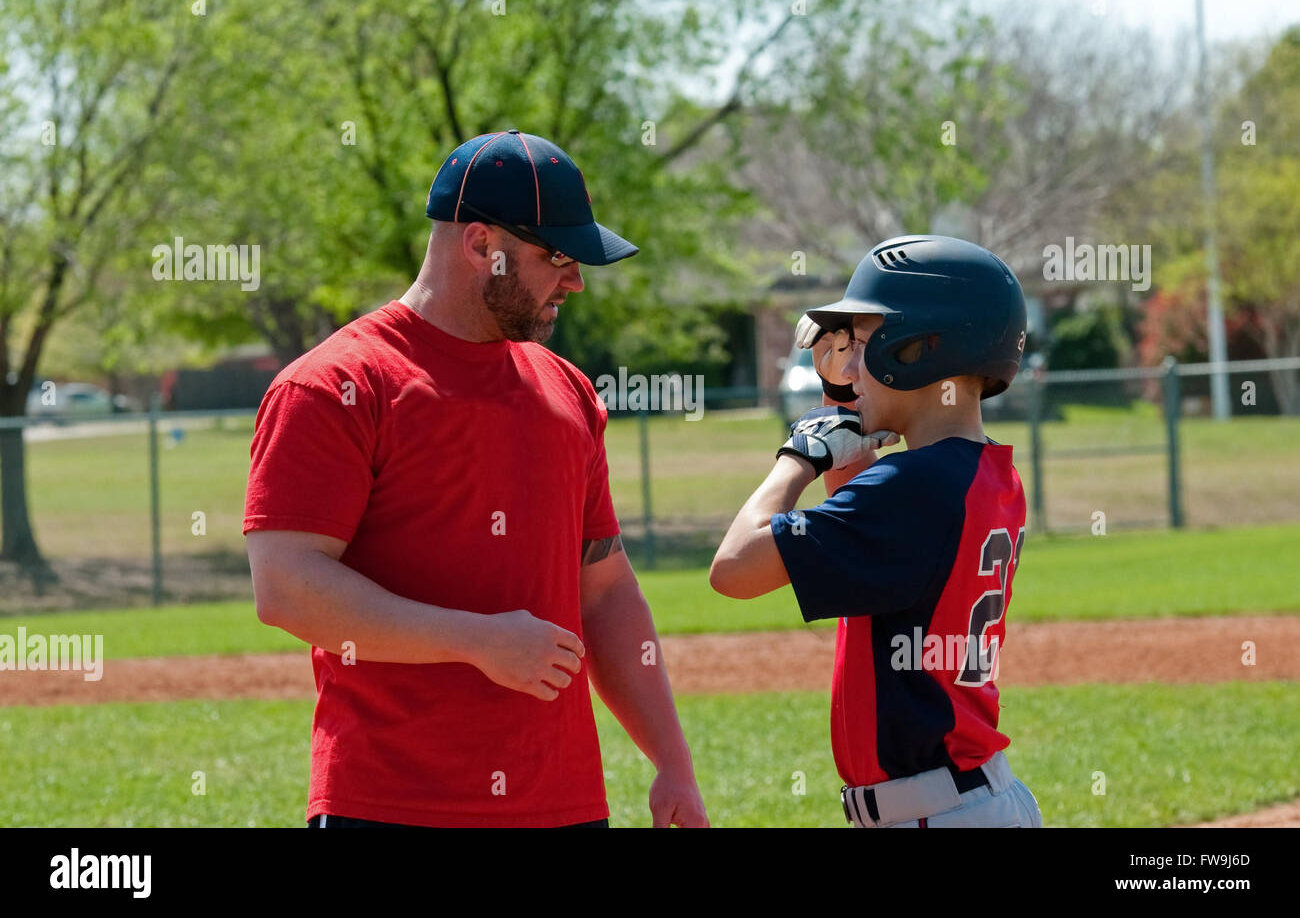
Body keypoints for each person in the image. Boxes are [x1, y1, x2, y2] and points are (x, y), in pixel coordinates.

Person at [244, 130, 708, 828]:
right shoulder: (335, 385)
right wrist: (476, 639)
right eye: (557, 256)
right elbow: (285, 586)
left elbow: (606, 590)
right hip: (389, 806)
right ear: (481, 245)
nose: (576, 279)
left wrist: (672, 759)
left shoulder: (569, 391)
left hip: (564, 806)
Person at [710, 235, 1043, 828]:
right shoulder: (984, 471)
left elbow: (734, 569)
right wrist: (849, 429)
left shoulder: (912, 486)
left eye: (864, 343)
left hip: (934, 812)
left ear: (919, 348)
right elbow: (865, 550)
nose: (850, 366)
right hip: (964, 801)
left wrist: (798, 457)